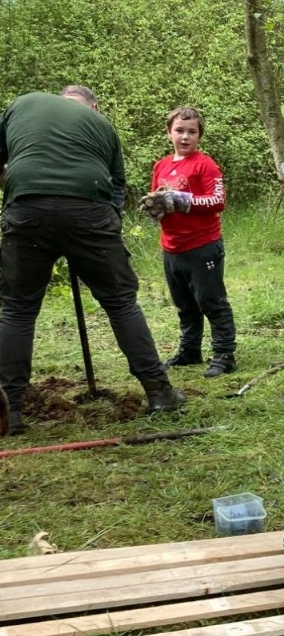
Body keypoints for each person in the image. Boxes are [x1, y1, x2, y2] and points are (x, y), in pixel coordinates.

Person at [0, 86, 184, 434]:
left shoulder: (22, 105)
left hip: (27, 207)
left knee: (18, 308)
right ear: (92, 107)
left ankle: (11, 411)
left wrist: (21, 192)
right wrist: (103, 225)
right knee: (120, 302)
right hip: (91, 210)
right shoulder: (104, 126)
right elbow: (117, 187)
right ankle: (159, 392)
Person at [145, 106, 237, 377]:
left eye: (192, 132)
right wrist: (155, 207)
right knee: (184, 304)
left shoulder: (205, 164)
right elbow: (159, 199)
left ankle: (224, 354)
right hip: (172, 247)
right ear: (168, 132)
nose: (185, 137)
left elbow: (217, 200)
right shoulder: (161, 165)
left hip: (202, 245)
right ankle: (190, 351)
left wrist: (182, 201)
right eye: (179, 131)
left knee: (211, 301)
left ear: (199, 136)